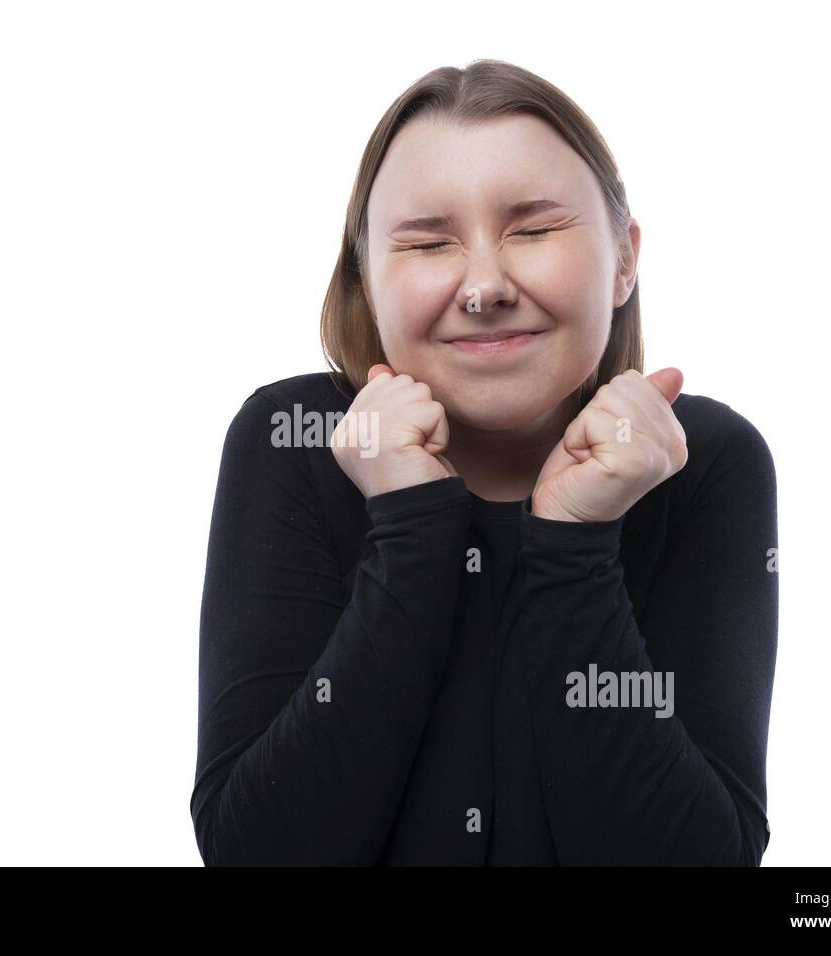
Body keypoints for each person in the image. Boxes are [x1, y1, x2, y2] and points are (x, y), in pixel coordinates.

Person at [190, 59, 778, 865]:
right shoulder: (290, 438)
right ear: (368, 274)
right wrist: (412, 531)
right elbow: (255, 852)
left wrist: (575, 544)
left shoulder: (701, 462)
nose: (484, 286)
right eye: (430, 243)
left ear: (625, 259)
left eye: (533, 230)